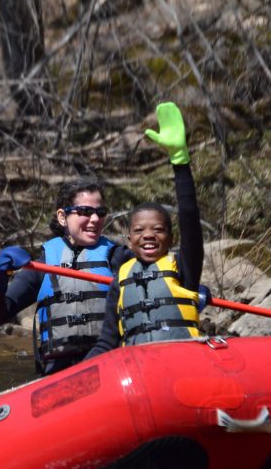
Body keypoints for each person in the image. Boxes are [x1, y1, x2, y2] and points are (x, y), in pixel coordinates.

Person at [84, 102, 208, 358]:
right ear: (129, 240)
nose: (149, 235)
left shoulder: (184, 268)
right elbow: (106, 343)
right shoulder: (120, 279)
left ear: (171, 238)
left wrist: (180, 163)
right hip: (139, 373)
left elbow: (189, 218)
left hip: (184, 363)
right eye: (140, 230)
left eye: (158, 229)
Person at [0, 177, 133, 376]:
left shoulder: (119, 257)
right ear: (63, 217)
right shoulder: (43, 264)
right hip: (58, 372)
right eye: (85, 212)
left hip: (108, 366)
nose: (95, 219)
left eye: (100, 212)